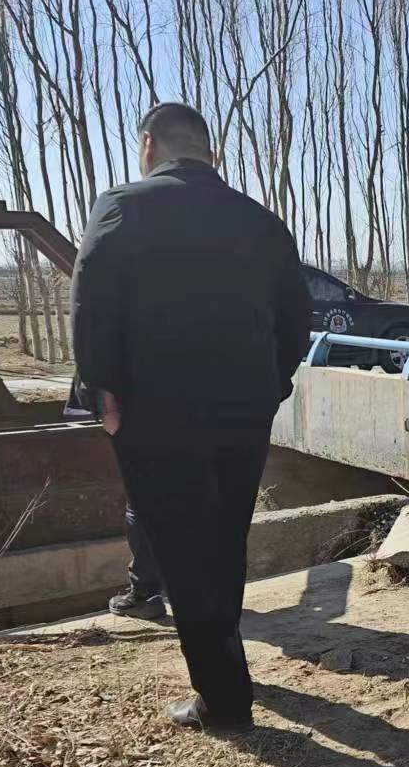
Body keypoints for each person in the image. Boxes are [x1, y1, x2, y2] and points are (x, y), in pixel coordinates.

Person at [72, 102, 312, 731]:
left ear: (148, 145)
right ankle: (227, 667)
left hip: (156, 412)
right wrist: (272, 384)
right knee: (225, 541)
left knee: (182, 549)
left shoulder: (122, 205)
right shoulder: (260, 220)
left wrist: (100, 389)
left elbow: (91, 299)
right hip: (243, 409)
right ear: (213, 154)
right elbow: (296, 316)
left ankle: (223, 699)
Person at [65, 376, 166, 620]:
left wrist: (107, 408)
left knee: (144, 501)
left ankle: (146, 593)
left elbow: (99, 354)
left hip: (144, 408)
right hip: (188, 403)